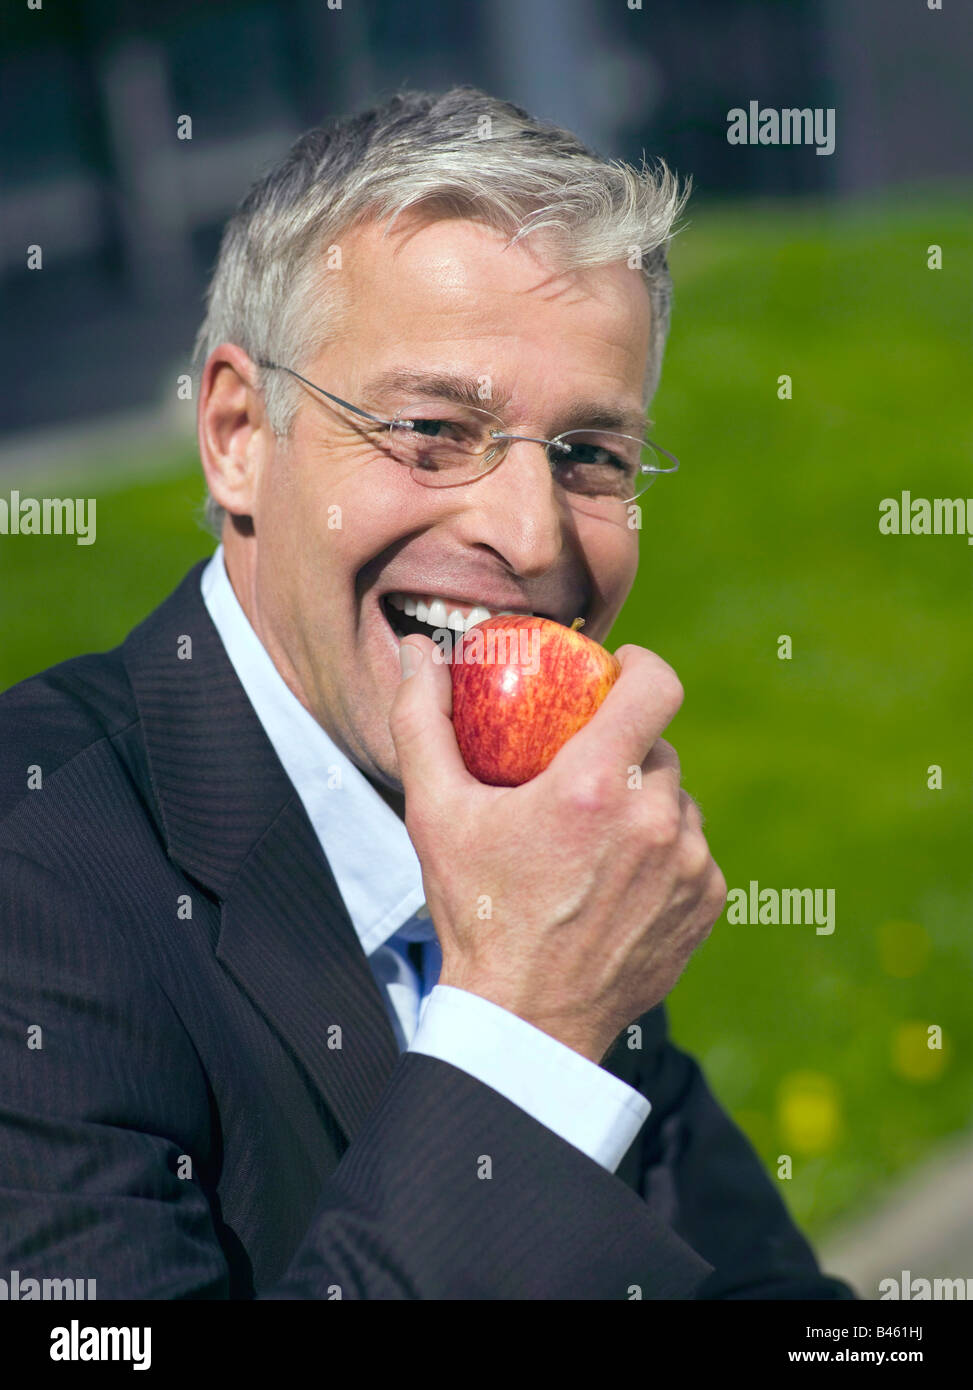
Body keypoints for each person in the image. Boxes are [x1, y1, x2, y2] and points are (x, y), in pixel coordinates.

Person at [0, 87, 854, 1300]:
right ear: (240, 432)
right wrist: (524, 1026)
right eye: (434, 429)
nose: (528, 532)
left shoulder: (526, 844)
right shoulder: (35, 882)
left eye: (589, 456)